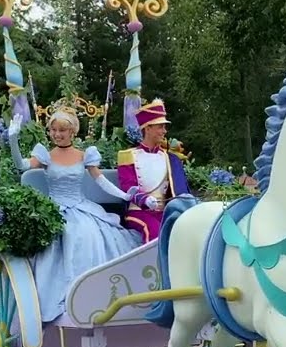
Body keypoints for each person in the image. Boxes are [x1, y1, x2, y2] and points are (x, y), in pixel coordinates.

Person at [14, 110, 146, 322]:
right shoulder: (45, 155)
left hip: (81, 207)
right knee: (66, 233)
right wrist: (13, 139)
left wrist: (126, 195)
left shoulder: (84, 156)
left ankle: (93, 297)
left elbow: (101, 181)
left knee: (88, 234)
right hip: (55, 210)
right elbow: (21, 166)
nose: (57, 134)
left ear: (72, 131)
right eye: (54, 130)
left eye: (62, 130)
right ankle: (66, 298)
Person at [114, 99, 191, 243]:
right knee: (153, 231)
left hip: (163, 211)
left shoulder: (169, 158)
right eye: (160, 127)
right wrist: (144, 200)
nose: (164, 131)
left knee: (182, 230)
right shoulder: (127, 155)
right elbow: (127, 186)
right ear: (147, 128)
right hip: (138, 212)